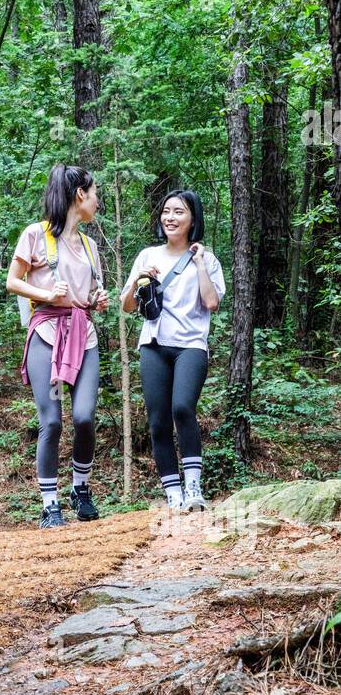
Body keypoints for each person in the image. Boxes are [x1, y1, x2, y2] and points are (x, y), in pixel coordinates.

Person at [6, 164, 109, 528]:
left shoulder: (90, 245)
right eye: (95, 193)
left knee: (83, 417)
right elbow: (13, 282)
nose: (97, 201)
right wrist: (47, 293)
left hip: (84, 334)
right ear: (79, 195)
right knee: (51, 421)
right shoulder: (35, 235)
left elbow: (88, 291)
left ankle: (80, 488)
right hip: (46, 332)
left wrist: (96, 300)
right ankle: (49, 504)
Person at [120, 189, 225, 511]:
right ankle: (173, 492)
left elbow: (211, 303)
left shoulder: (207, 260)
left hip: (190, 345)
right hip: (153, 345)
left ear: (193, 218)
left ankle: (193, 487)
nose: (170, 218)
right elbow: (126, 306)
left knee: (182, 408)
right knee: (157, 421)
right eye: (166, 211)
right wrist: (139, 279)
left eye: (179, 212)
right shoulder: (147, 255)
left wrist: (199, 263)